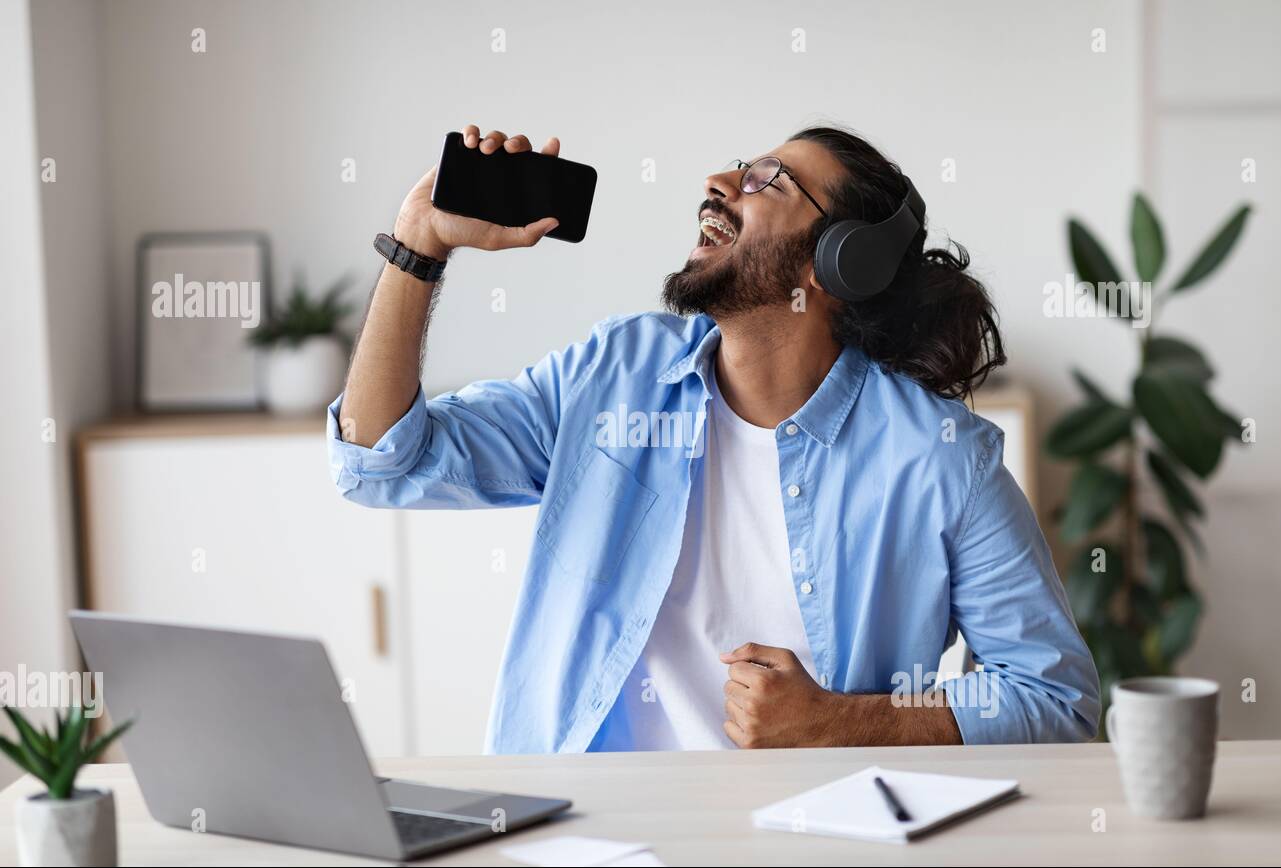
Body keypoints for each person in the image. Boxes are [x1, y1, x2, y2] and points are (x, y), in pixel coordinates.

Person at [329, 123, 1100, 753]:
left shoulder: (938, 460)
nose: (718, 183)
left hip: (807, 836)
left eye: (768, 181)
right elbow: (380, 463)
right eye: (738, 168)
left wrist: (842, 725)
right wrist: (418, 246)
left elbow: (1055, 699)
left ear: (843, 262)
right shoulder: (614, 374)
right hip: (576, 831)